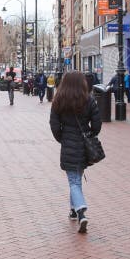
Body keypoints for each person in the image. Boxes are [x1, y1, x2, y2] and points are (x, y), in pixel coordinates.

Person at [49, 71, 102, 234]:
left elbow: (54, 124)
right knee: (76, 178)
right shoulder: (88, 99)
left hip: (68, 143)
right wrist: (90, 134)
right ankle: (73, 210)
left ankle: (80, 210)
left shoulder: (59, 99)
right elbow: (97, 123)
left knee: (73, 181)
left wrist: (62, 138)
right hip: (83, 144)